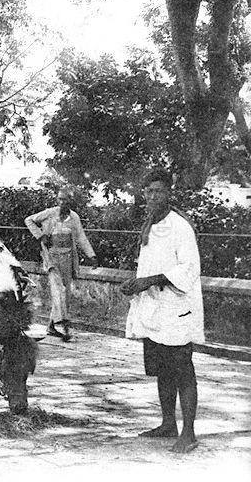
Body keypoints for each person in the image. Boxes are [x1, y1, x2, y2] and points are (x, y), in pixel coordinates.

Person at [122, 168, 204, 454]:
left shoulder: (180, 226)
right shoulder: (151, 225)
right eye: (149, 192)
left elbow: (189, 268)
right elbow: (149, 265)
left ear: (169, 193)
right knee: (163, 370)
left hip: (177, 309)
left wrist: (150, 280)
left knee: (183, 369)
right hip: (155, 310)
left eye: (158, 191)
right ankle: (168, 423)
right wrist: (135, 284)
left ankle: (189, 433)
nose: (153, 196)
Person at [25, 186, 97, 341]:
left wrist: (91, 255)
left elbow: (81, 237)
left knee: (65, 292)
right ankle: (64, 327)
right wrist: (40, 236)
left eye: (66, 200)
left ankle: (51, 326)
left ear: (71, 201)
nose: (62, 202)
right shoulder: (50, 213)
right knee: (59, 290)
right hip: (52, 257)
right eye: (60, 199)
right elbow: (29, 220)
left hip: (68, 258)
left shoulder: (74, 217)